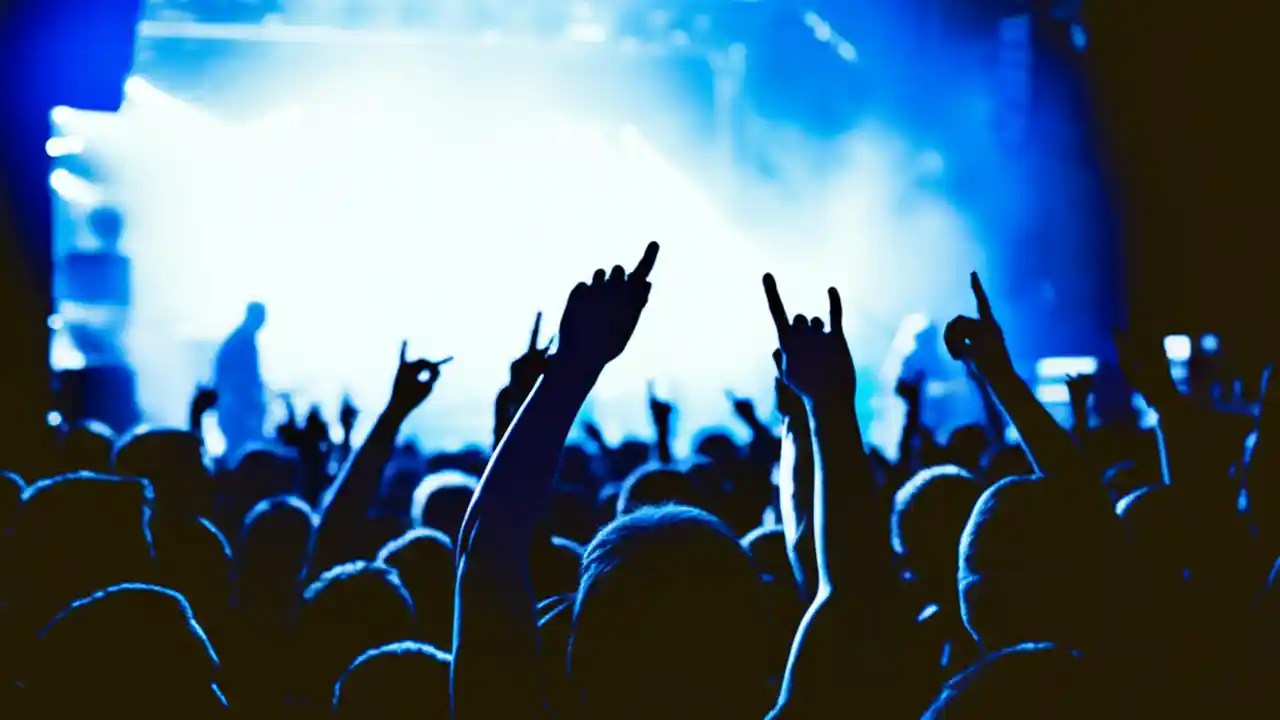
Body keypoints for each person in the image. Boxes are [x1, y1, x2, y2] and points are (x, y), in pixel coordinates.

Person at [213, 302, 269, 460]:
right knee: (240, 450)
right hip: (239, 406)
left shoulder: (238, 340)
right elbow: (243, 378)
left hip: (235, 404)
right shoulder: (242, 343)